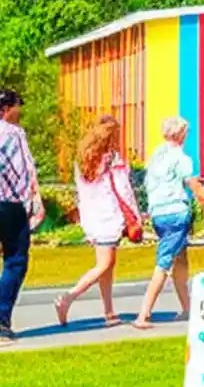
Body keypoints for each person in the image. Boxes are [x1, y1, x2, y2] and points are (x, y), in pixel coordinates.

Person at [134, 115, 204, 329]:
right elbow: (196, 188)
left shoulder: (156, 155)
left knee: (180, 259)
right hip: (176, 212)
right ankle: (143, 314)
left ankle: (187, 308)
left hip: (158, 212)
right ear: (181, 134)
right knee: (164, 262)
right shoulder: (182, 158)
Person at [55, 116, 139, 327]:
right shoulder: (113, 159)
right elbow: (123, 190)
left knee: (107, 266)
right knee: (105, 264)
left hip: (92, 217)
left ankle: (109, 311)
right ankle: (68, 297)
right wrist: (136, 216)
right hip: (109, 216)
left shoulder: (84, 160)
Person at [0, 89, 42, 346]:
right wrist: (35, 199)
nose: (20, 112)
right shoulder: (14, 133)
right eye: (18, 107)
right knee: (15, 260)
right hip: (9, 203)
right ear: (7, 108)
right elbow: (27, 169)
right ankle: (1, 320)